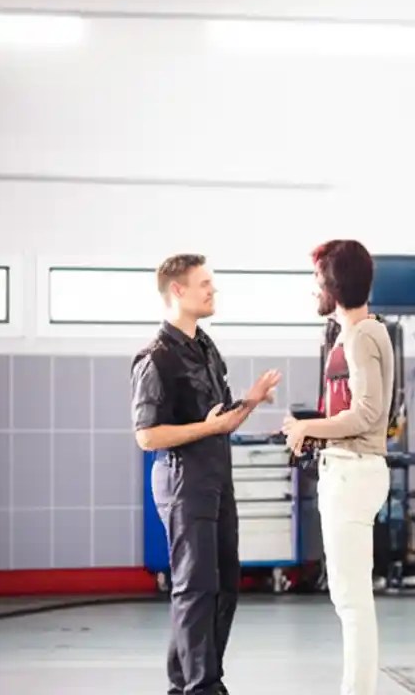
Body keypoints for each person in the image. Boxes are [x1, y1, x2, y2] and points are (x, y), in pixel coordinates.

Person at [131, 254, 281, 695]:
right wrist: (211, 427)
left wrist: (250, 401)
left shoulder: (206, 348)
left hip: (216, 476)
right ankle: (203, 687)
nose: (212, 291)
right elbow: (147, 436)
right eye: (204, 284)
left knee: (223, 585)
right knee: (195, 587)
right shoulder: (155, 359)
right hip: (183, 481)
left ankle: (188, 685)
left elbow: (223, 419)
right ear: (177, 291)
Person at [282, 240, 393, 695]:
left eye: (315, 282)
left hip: (353, 471)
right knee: (349, 598)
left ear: (333, 284)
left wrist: (309, 428)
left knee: (351, 601)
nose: (312, 292)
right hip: (349, 469)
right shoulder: (357, 333)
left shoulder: (362, 335)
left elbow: (366, 413)